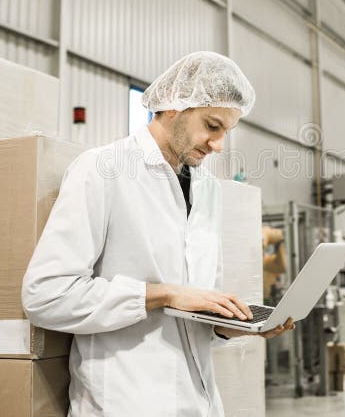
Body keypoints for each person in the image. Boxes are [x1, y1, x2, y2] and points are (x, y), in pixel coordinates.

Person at [21, 52, 294, 417]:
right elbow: (45, 296)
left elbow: (193, 315)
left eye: (226, 132)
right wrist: (163, 294)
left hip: (198, 405)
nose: (218, 145)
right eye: (212, 126)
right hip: (123, 404)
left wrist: (232, 327)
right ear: (172, 107)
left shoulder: (207, 188)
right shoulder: (104, 170)